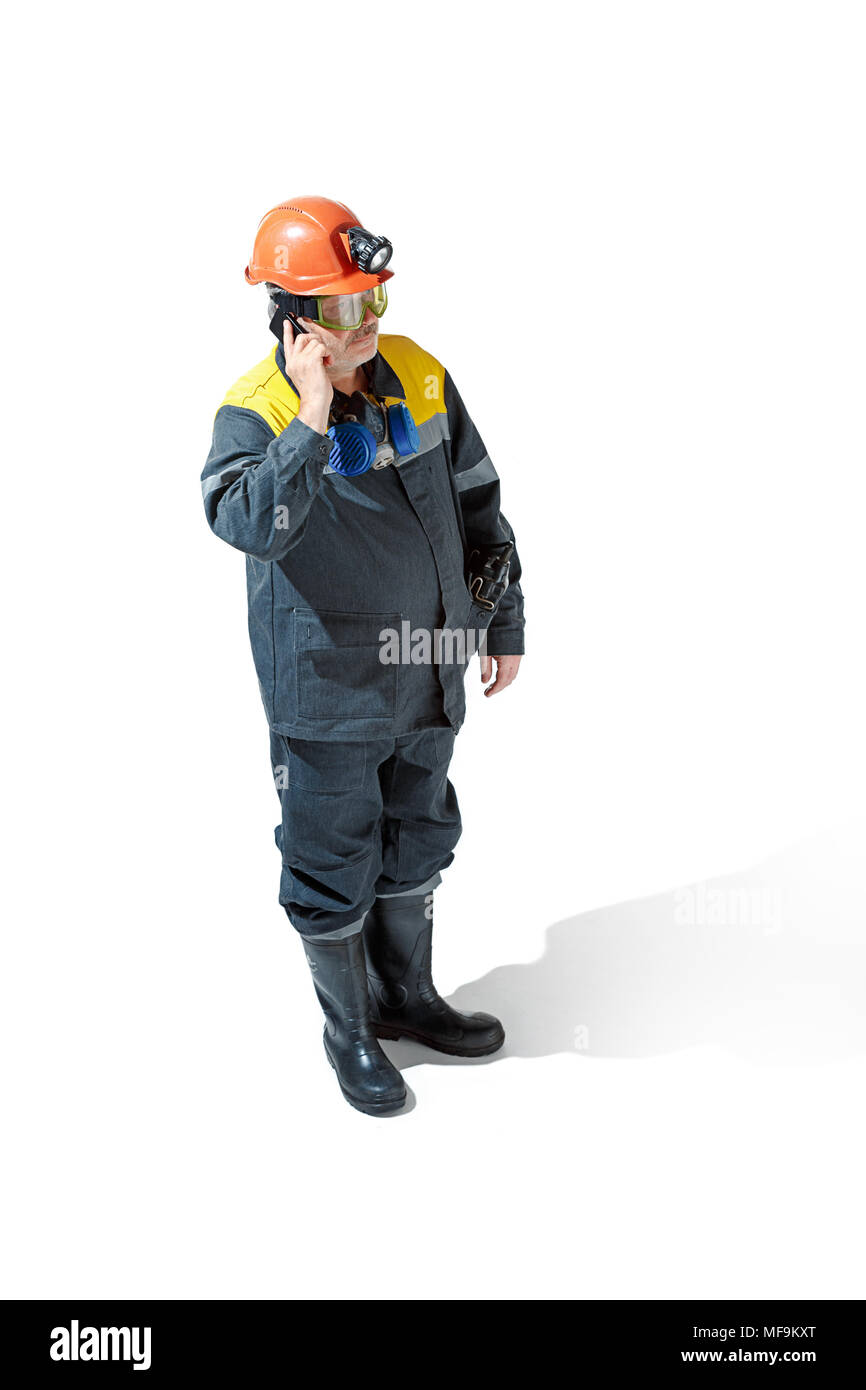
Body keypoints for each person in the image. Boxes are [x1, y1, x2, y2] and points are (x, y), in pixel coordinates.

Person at [201, 196, 525, 1115]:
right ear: (294, 319)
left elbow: (479, 505)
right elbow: (244, 524)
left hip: (430, 666)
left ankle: (406, 998)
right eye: (343, 309)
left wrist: (502, 624)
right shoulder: (256, 411)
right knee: (330, 853)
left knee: (420, 833)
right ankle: (347, 1029)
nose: (367, 323)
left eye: (372, 300)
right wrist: (308, 419)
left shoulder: (418, 374)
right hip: (330, 691)